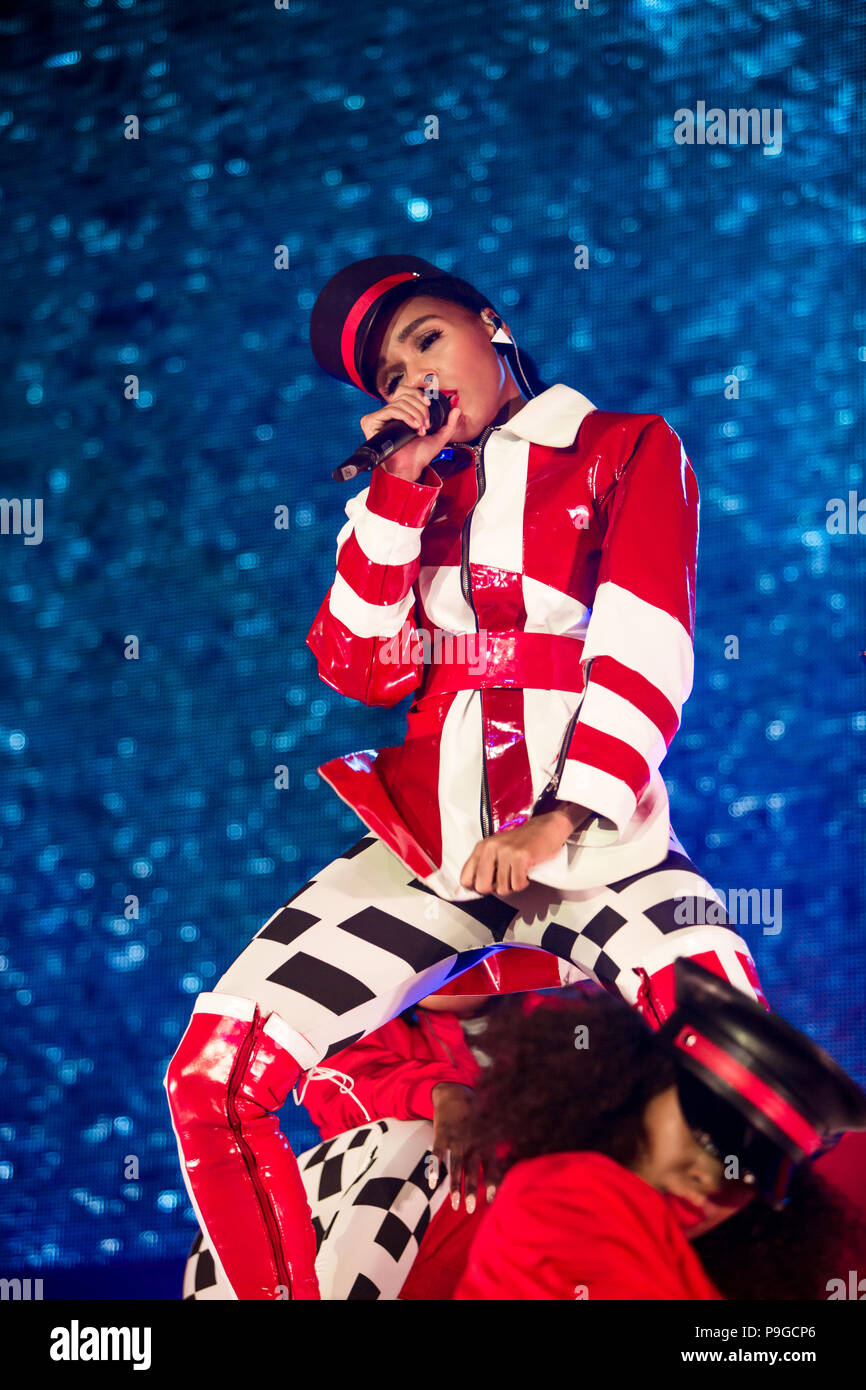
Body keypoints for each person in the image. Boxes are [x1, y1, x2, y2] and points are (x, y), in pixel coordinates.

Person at [163, 254, 769, 1300]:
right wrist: (397, 487)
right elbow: (357, 665)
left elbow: (643, 649)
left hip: (593, 844)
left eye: (426, 338)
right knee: (211, 1077)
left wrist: (560, 819)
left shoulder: (621, 447)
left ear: (487, 323)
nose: (415, 376)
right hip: (433, 847)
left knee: (739, 1055)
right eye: (390, 372)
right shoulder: (407, 491)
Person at [454, 960, 866, 1300]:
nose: (708, 1177)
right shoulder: (556, 1199)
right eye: (706, 1135)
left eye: (746, 1172)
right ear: (649, 1082)